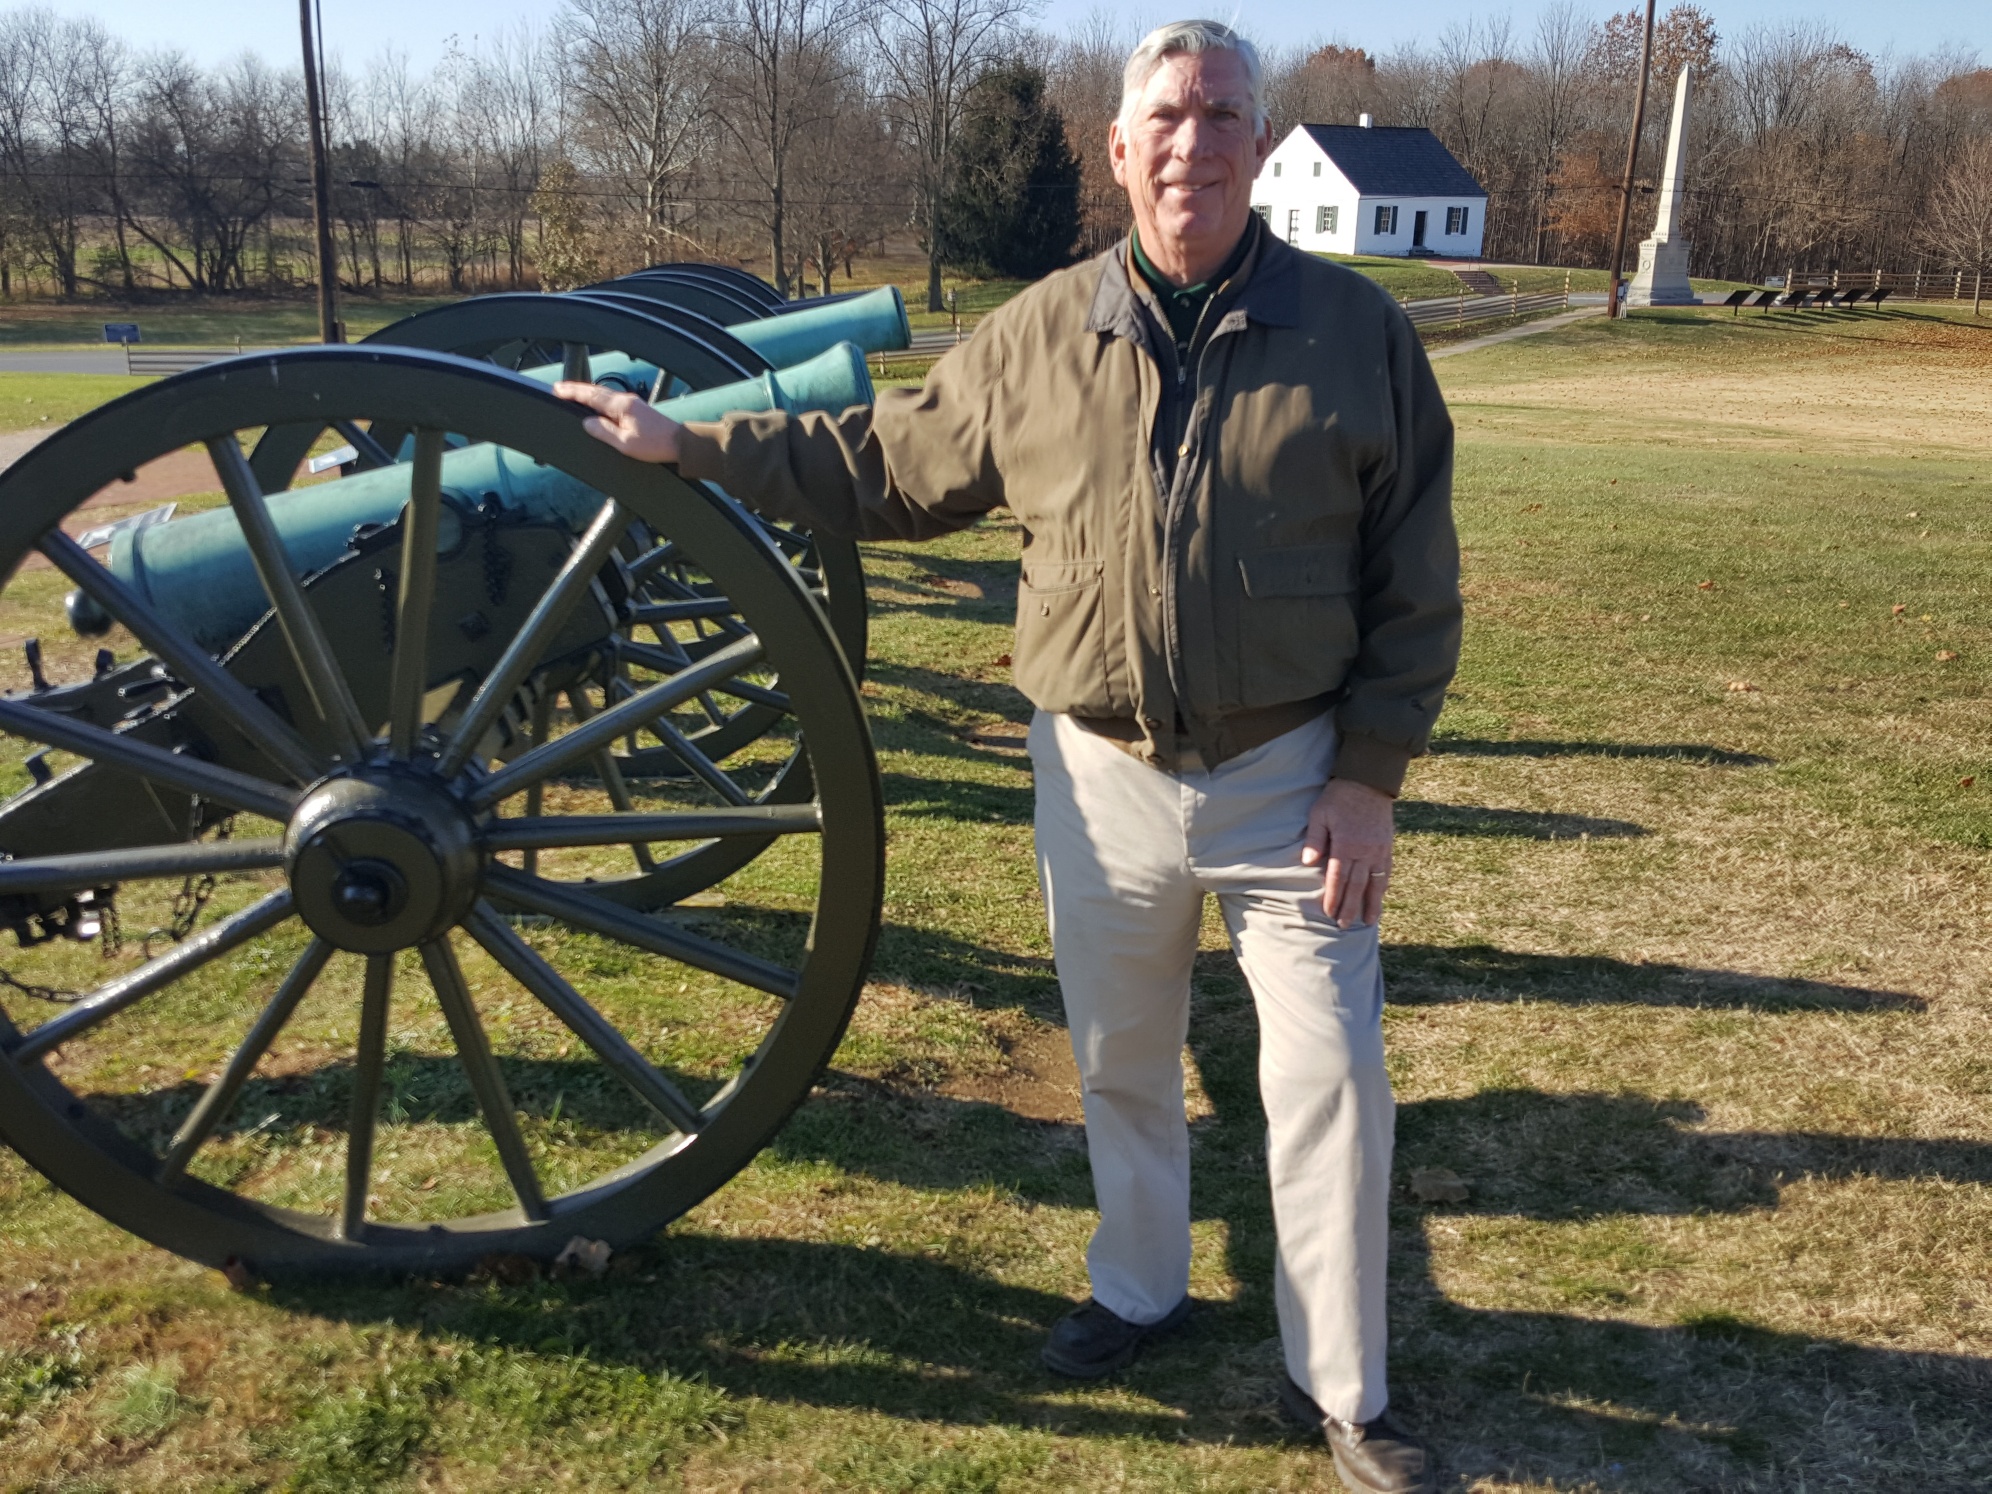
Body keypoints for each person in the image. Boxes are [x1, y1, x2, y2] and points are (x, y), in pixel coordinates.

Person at [556, 20, 1460, 1493]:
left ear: (1258, 142)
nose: (1194, 142)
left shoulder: (1358, 335)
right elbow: (885, 459)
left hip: (1290, 779)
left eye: (1224, 115)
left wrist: (1367, 776)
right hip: (1099, 773)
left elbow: (1416, 580)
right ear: (1120, 148)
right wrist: (694, 446)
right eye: (1167, 117)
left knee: (1333, 1080)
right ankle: (1140, 1289)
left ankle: (1344, 1385)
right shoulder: (1044, 332)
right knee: (1119, 1058)